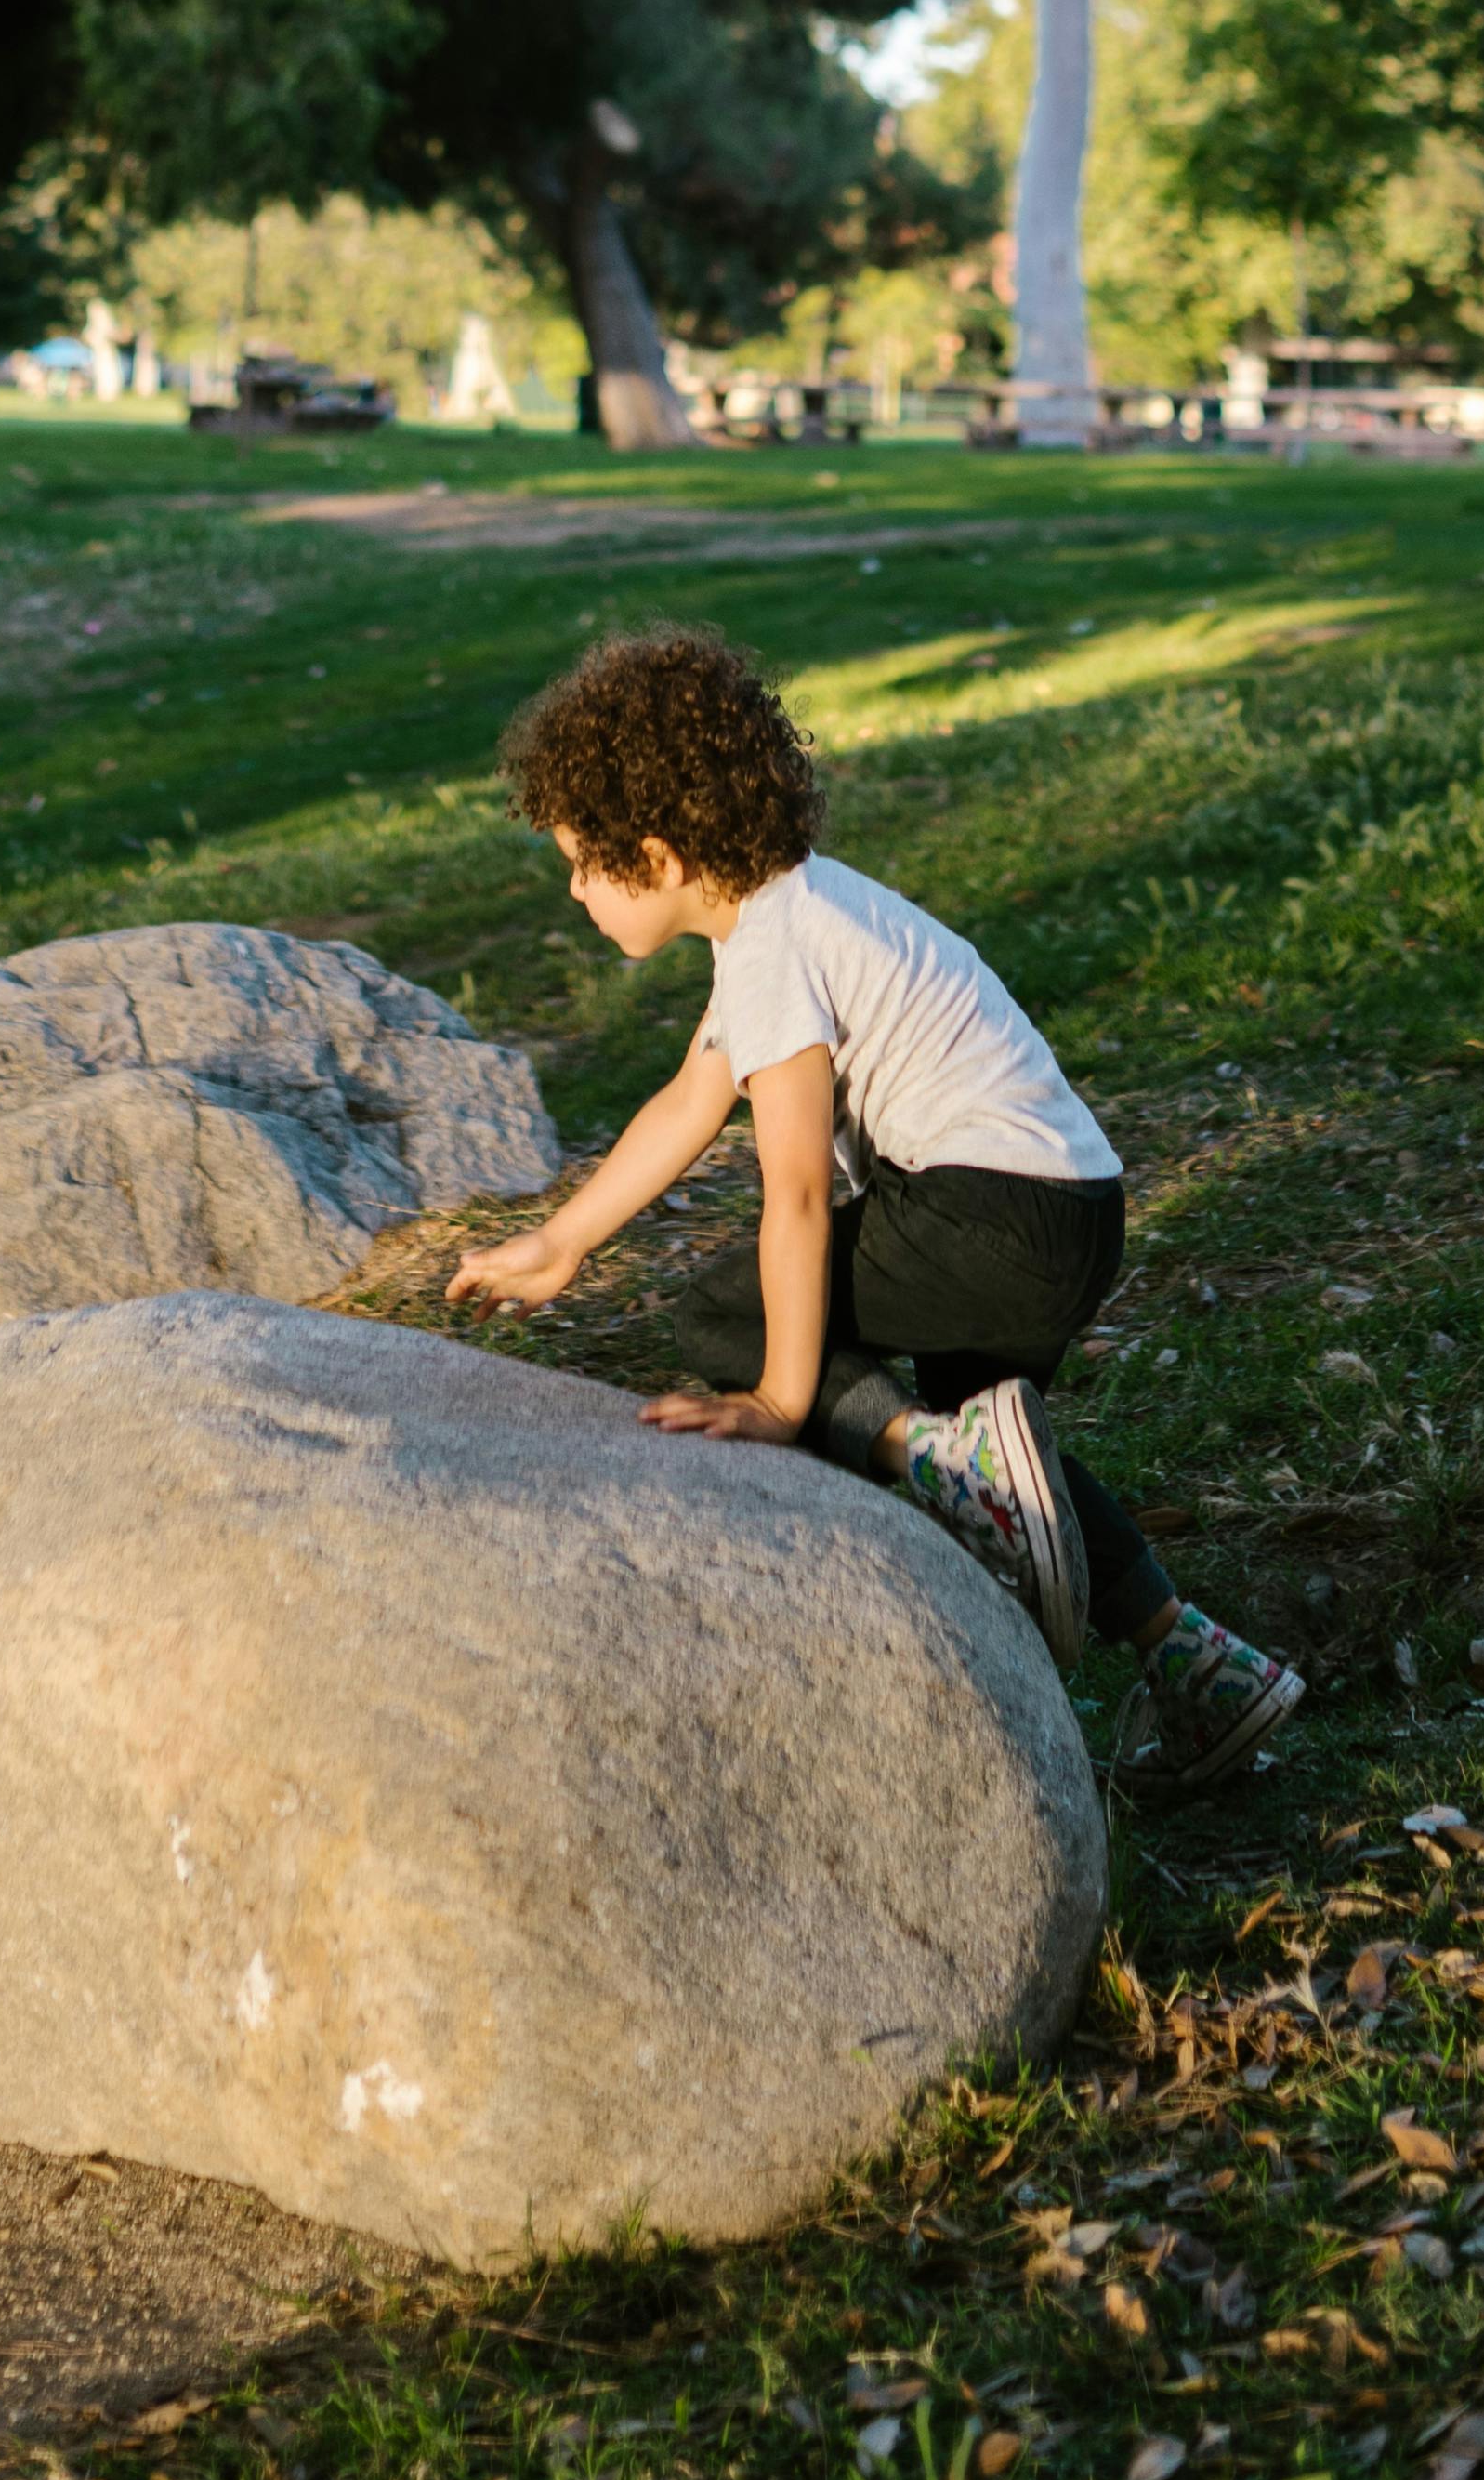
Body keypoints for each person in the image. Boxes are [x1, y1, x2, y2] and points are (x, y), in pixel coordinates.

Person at [446, 624, 1303, 1795]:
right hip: (1067, 1211)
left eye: (581, 864)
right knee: (1010, 1469)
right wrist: (557, 1243)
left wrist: (778, 1401)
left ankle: (925, 1459)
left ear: (654, 853)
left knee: (724, 1318)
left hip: (989, 1215)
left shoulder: (773, 955)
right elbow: (688, 1099)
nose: (573, 891)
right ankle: (1196, 1661)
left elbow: (793, 1194)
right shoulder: (790, 916)